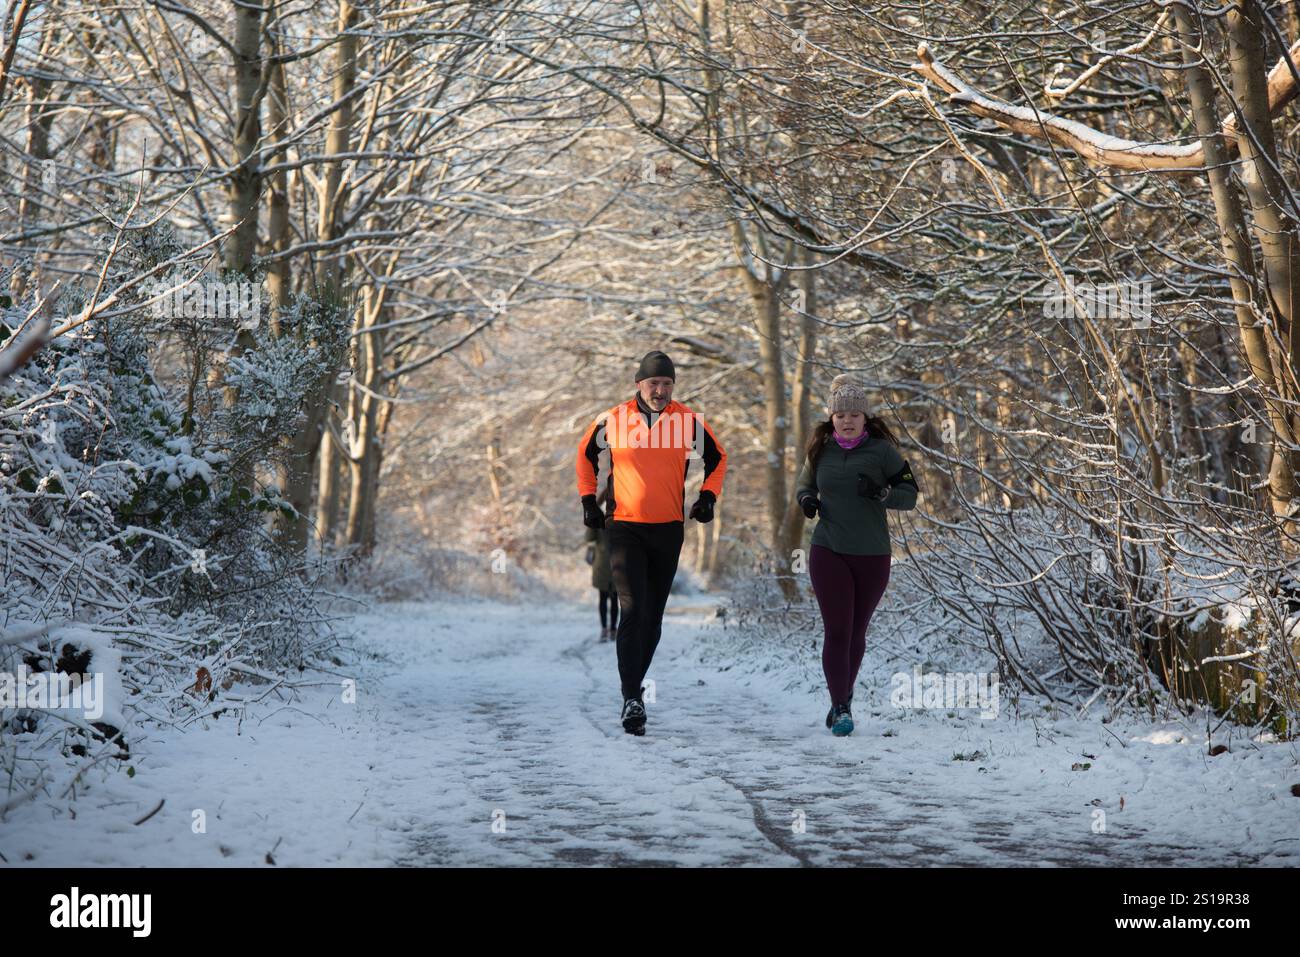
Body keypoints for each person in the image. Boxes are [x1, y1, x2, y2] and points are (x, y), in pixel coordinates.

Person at [576, 351, 727, 735]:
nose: (659, 390)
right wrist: (588, 500)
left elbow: (719, 457)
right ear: (638, 385)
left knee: (653, 615)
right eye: (653, 383)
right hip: (624, 526)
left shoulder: (687, 421)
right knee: (632, 609)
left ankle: (634, 692)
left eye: (666, 384)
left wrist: (708, 496)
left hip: (668, 528)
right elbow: (585, 456)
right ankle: (632, 698)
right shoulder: (612, 419)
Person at [795, 374, 919, 736]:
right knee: (836, 630)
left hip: (872, 553)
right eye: (840, 415)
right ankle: (841, 706)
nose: (847, 420)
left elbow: (909, 495)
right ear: (831, 419)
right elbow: (804, 484)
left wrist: (883, 493)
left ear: (865, 418)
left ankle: (843, 692)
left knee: (856, 633)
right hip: (828, 548)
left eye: (854, 414)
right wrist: (807, 500)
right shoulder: (820, 450)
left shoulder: (882, 452)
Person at [585, 485, 618, 640]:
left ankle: (604, 629)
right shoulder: (620, 514)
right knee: (615, 597)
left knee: (603, 598)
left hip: (601, 563)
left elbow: (589, 538)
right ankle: (613, 630)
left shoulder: (597, 514)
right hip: (619, 562)